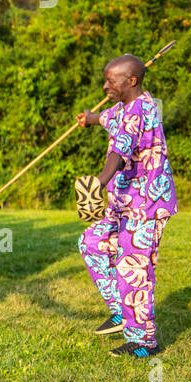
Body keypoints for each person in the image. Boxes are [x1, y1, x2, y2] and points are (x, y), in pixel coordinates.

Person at [76, 54, 177, 357]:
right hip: (124, 204)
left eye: (111, 80)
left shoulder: (140, 111)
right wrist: (89, 118)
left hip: (146, 205)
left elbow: (118, 154)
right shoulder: (123, 108)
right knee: (91, 242)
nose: (105, 85)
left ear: (131, 81)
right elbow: (107, 117)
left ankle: (144, 341)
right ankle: (123, 310)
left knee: (132, 269)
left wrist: (98, 182)